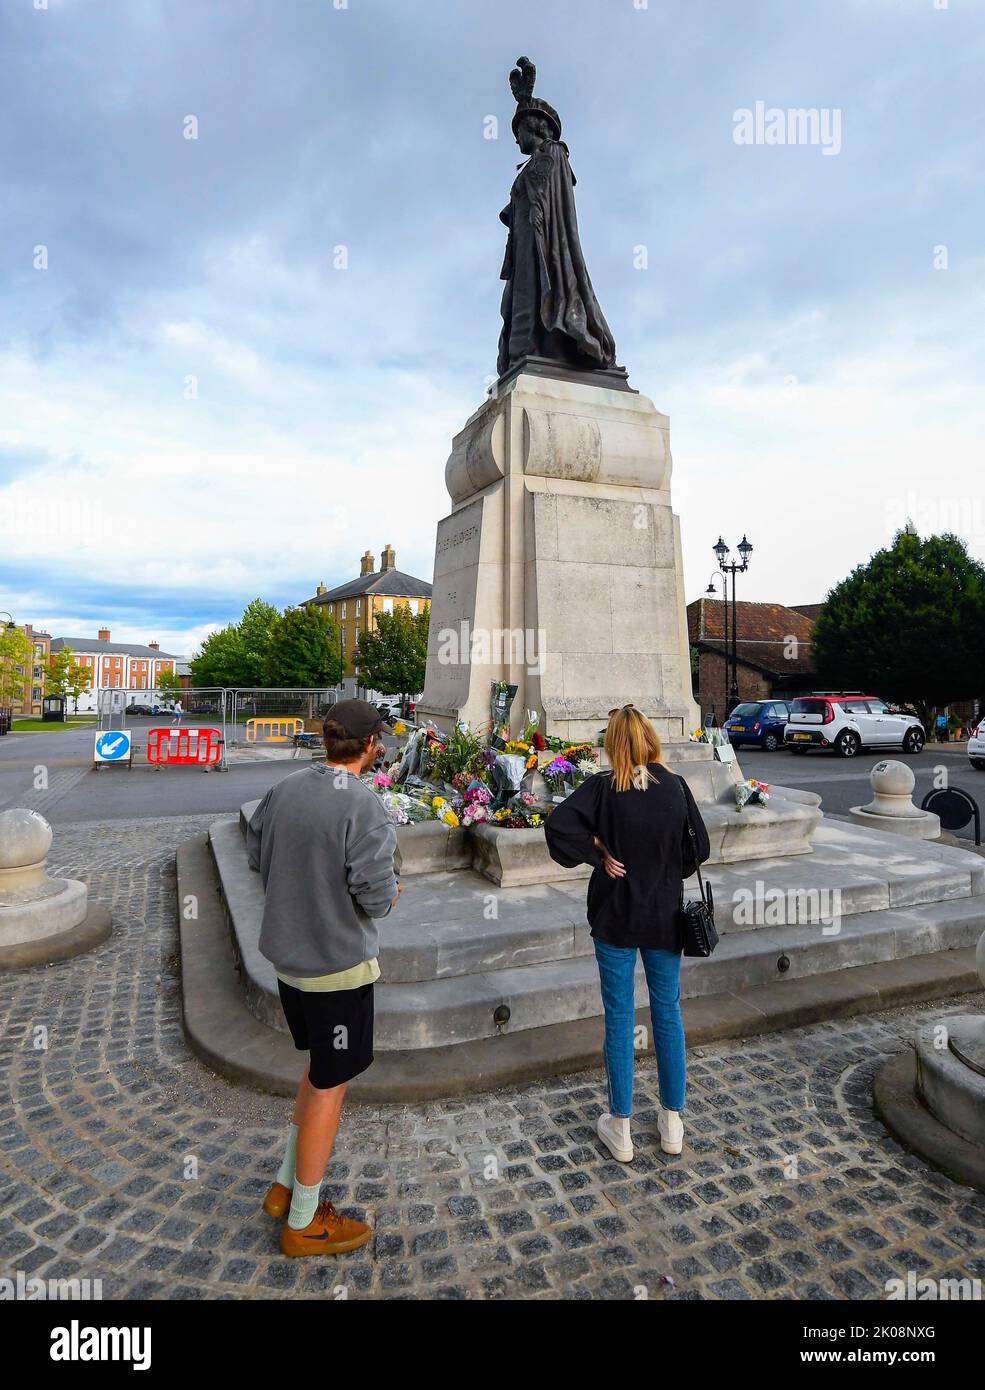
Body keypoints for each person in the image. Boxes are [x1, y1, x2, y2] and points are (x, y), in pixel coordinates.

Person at [246, 698, 400, 1257]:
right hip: (338, 968)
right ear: (370, 746)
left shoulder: (285, 788)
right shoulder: (363, 804)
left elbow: (257, 853)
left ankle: (285, 1189)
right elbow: (378, 896)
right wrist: (388, 895)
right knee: (332, 1085)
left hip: (290, 962)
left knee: (316, 1072)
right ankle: (306, 1222)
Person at [545, 706, 710, 1163]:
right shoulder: (675, 787)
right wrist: (663, 870)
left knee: (619, 1018)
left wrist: (597, 851)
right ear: (650, 739)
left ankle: (621, 1127)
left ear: (613, 744)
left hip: (616, 914)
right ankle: (672, 1121)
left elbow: (558, 825)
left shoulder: (603, 788)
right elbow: (700, 848)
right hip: (662, 915)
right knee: (668, 1013)